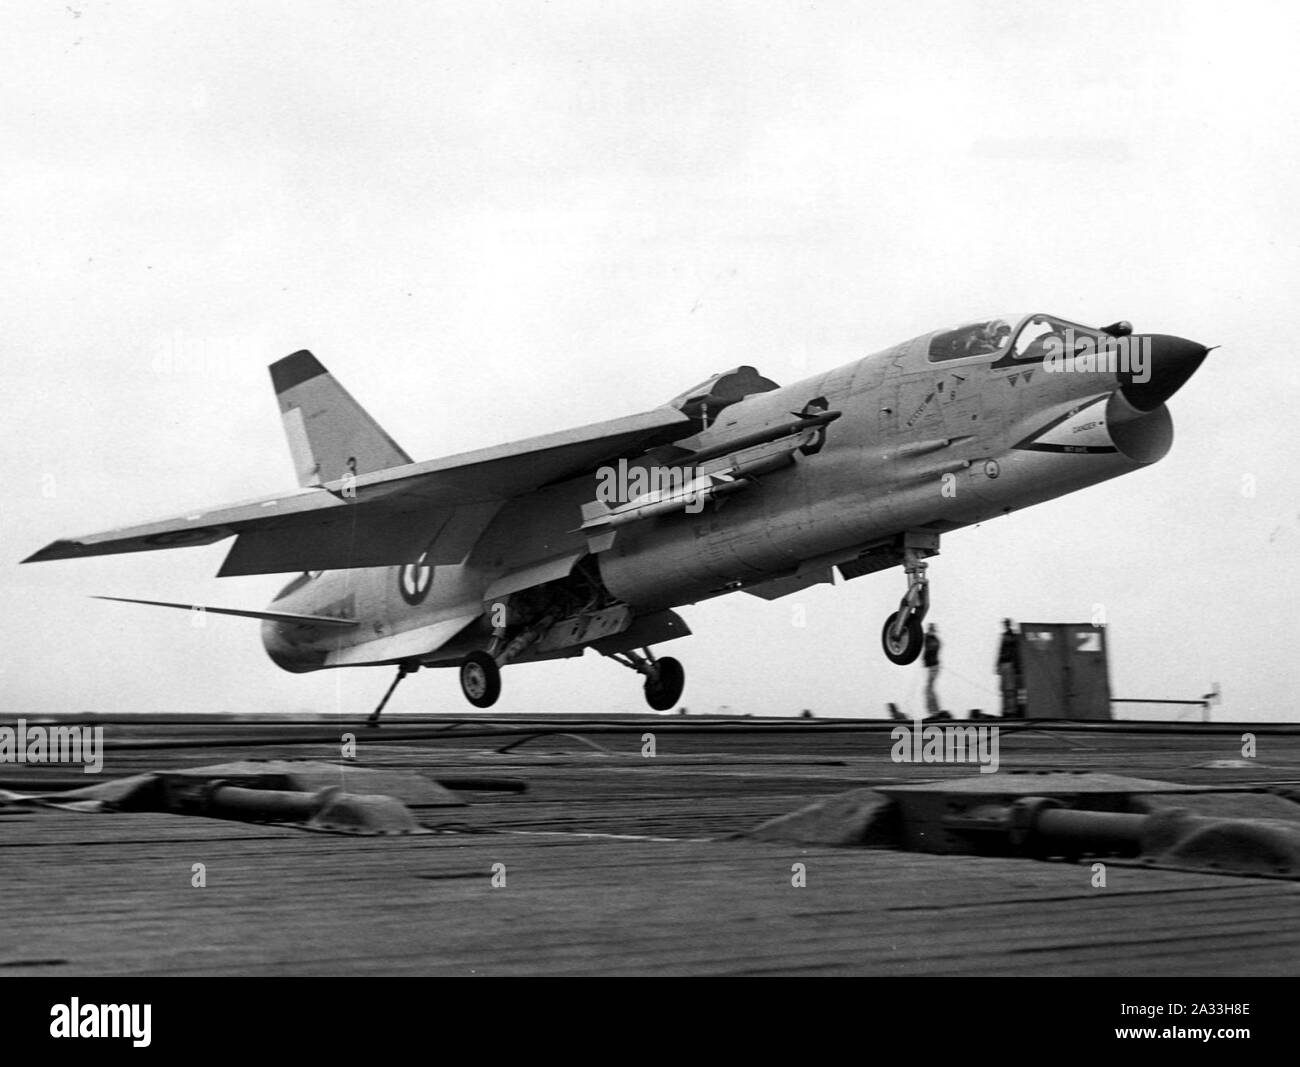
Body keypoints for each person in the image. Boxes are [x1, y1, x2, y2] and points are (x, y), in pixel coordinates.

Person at [997, 618, 1021, 718]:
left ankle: (1010, 711)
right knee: (1005, 689)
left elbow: (1014, 651)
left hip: (1009, 663)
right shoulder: (1007, 636)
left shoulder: (1011, 637)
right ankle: (1007, 710)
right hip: (1005, 664)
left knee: (1009, 689)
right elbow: (1000, 651)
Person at [923, 623, 941, 716]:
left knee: (928, 689)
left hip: (934, 667)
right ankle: (933, 710)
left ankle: (934, 711)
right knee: (929, 688)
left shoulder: (934, 641)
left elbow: (930, 648)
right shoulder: (931, 639)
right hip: (932, 667)